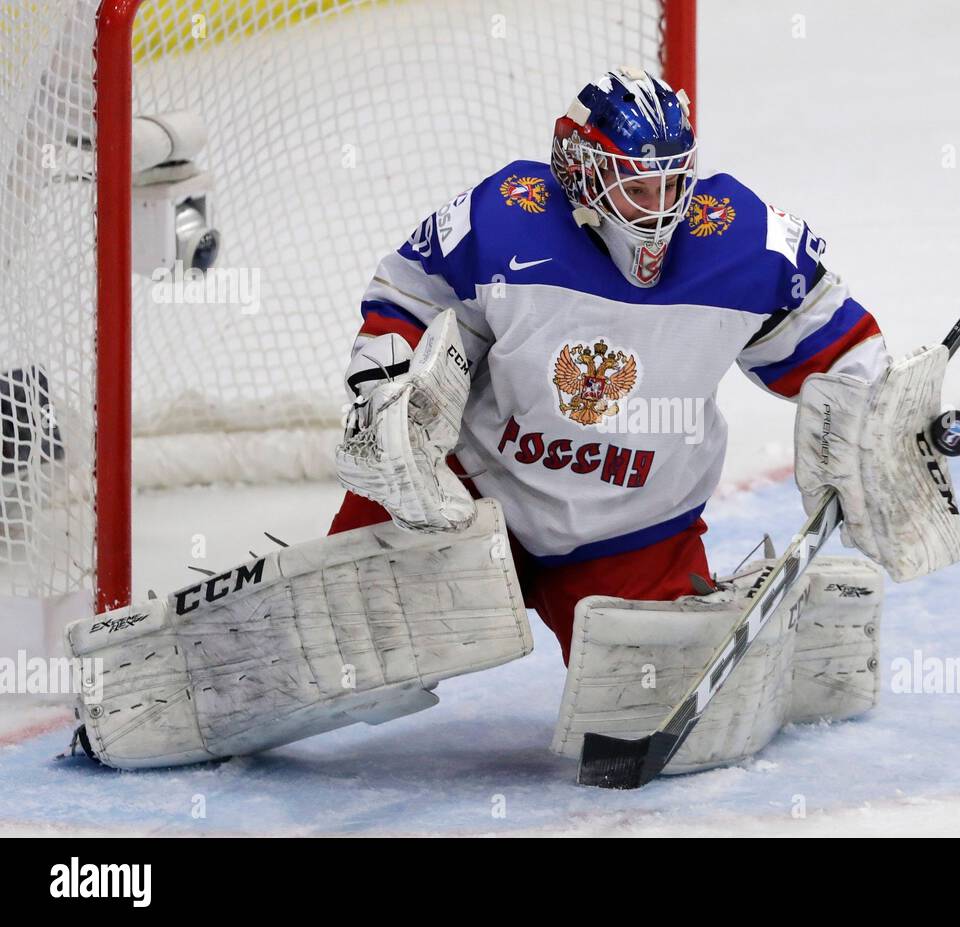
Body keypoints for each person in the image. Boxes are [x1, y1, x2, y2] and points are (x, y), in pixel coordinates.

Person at [328, 67, 889, 664]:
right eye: (638, 189)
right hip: (470, 492)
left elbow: (838, 344)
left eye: (673, 186)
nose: (660, 211)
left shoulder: (741, 237)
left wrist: (882, 423)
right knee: (346, 625)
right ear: (581, 176)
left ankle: (757, 638)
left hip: (633, 528)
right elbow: (410, 296)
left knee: (648, 689)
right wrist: (381, 393)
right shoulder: (508, 215)